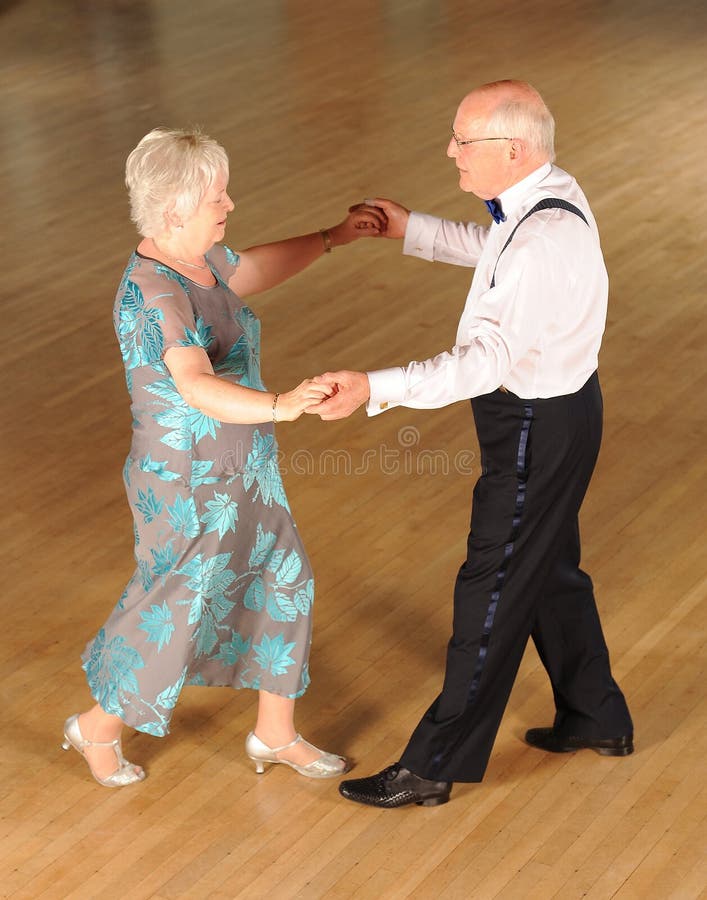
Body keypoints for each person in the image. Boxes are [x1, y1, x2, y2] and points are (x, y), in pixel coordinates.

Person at [310, 80, 634, 808]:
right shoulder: (549, 198)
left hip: (529, 429)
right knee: (546, 569)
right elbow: (498, 251)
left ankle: (433, 765)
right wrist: (411, 229)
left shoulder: (540, 241)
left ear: (511, 150)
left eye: (462, 140)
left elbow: (480, 362)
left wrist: (374, 385)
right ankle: (595, 714)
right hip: (567, 413)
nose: (448, 150)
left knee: (489, 589)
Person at [62, 126, 387, 787]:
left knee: (284, 577)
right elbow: (193, 384)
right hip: (184, 479)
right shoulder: (155, 293)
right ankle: (95, 726)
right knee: (174, 609)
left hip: (242, 464)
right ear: (177, 207)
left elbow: (254, 269)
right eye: (217, 194)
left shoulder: (199, 262)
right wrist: (281, 405)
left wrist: (334, 237)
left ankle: (274, 734)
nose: (230, 203)